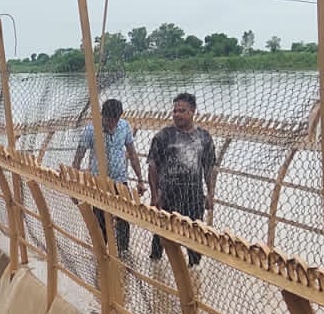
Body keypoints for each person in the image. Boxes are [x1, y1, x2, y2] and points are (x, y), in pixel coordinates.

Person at [147, 91, 219, 265]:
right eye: (175, 111)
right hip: (168, 196)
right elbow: (152, 166)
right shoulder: (163, 137)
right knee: (160, 238)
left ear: (193, 111)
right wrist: (155, 195)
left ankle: (194, 274)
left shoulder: (204, 137)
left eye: (182, 110)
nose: (177, 114)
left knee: (195, 239)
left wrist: (210, 193)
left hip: (194, 198)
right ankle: (155, 269)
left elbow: (209, 167)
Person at [72, 97, 141, 256]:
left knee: (124, 218)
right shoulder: (91, 130)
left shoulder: (124, 127)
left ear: (119, 117)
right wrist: (75, 184)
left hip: (120, 181)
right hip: (99, 183)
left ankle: (123, 253)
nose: (111, 123)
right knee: (100, 219)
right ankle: (102, 253)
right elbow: (78, 157)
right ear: (102, 116)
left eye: (115, 119)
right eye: (108, 119)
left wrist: (140, 179)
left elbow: (132, 153)